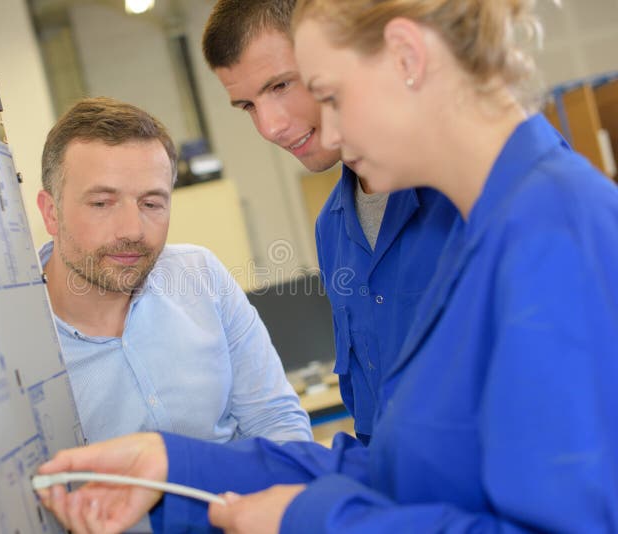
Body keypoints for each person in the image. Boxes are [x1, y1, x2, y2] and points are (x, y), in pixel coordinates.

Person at [36, 1, 618, 532]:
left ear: (407, 58)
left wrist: (309, 518)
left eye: (329, 95)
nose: (324, 131)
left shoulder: (554, 228)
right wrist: (175, 461)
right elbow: (402, 466)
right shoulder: (499, 225)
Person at [202, 0, 458, 443]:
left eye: (281, 85)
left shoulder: (469, 182)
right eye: (247, 106)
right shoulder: (333, 228)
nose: (269, 127)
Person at [36, 96, 312, 446]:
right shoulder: (16, 345)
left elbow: (276, 422)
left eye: (151, 203)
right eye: (102, 203)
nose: (133, 230)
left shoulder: (201, 276)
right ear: (51, 213)